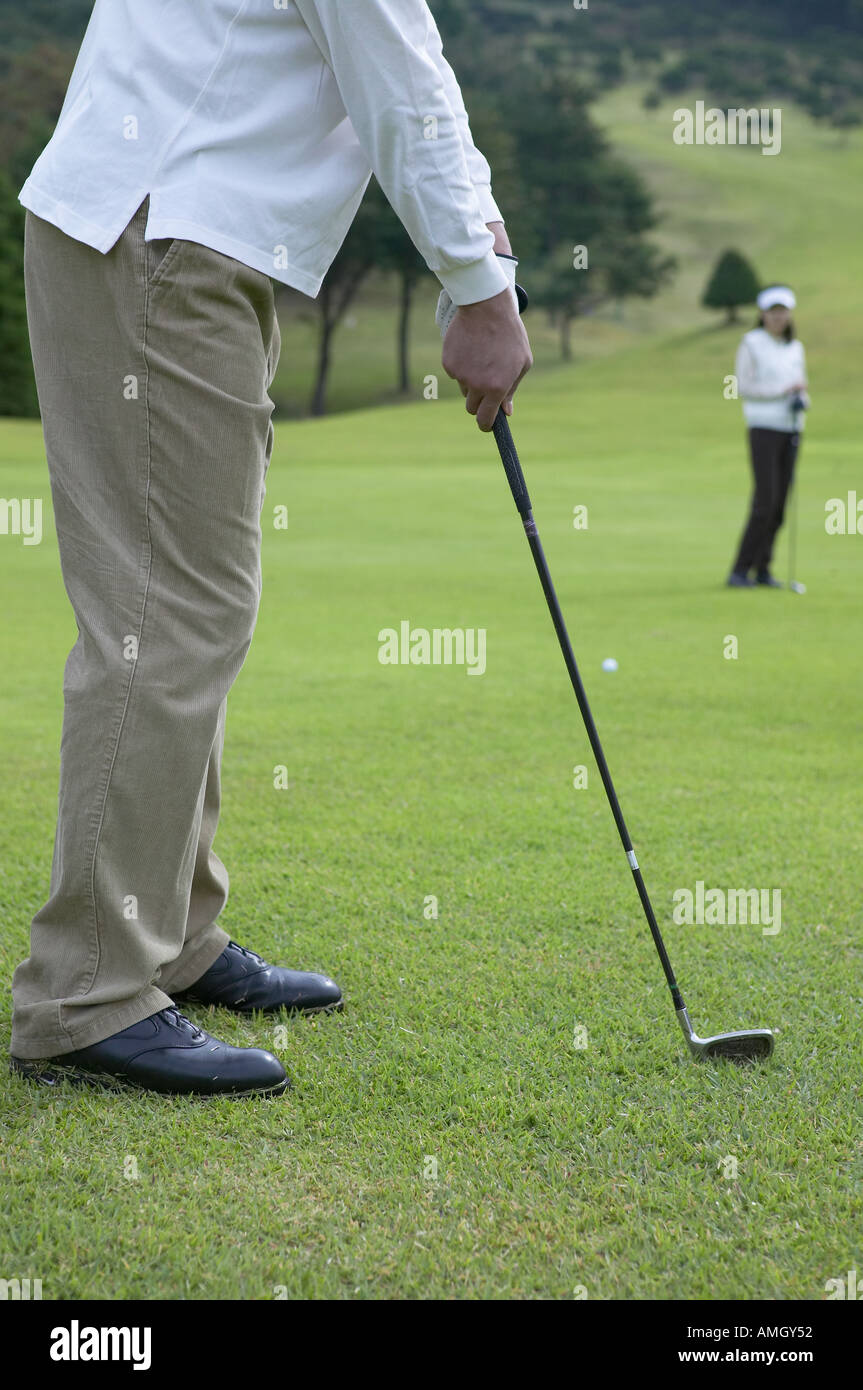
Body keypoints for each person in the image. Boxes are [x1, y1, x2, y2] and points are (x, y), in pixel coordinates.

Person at [10, 0, 533, 1098]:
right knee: (169, 615)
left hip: (158, 225)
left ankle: (170, 934)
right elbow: (402, 84)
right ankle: (90, 989)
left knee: (191, 607)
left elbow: (388, 69)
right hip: (167, 236)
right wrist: (477, 289)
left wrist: (468, 238)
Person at [727, 285, 809, 588]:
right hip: (763, 428)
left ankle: (763, 569)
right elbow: (744, 386)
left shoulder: (794, 347)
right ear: (762, 314)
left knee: (780, 504)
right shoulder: (751, 343)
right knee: (765, 500)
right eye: (773, 312)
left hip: (791, 427)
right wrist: (780, 392)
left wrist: (801, 397)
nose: (778, 317)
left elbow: (802, 384)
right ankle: (739, 570)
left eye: (783, 312)